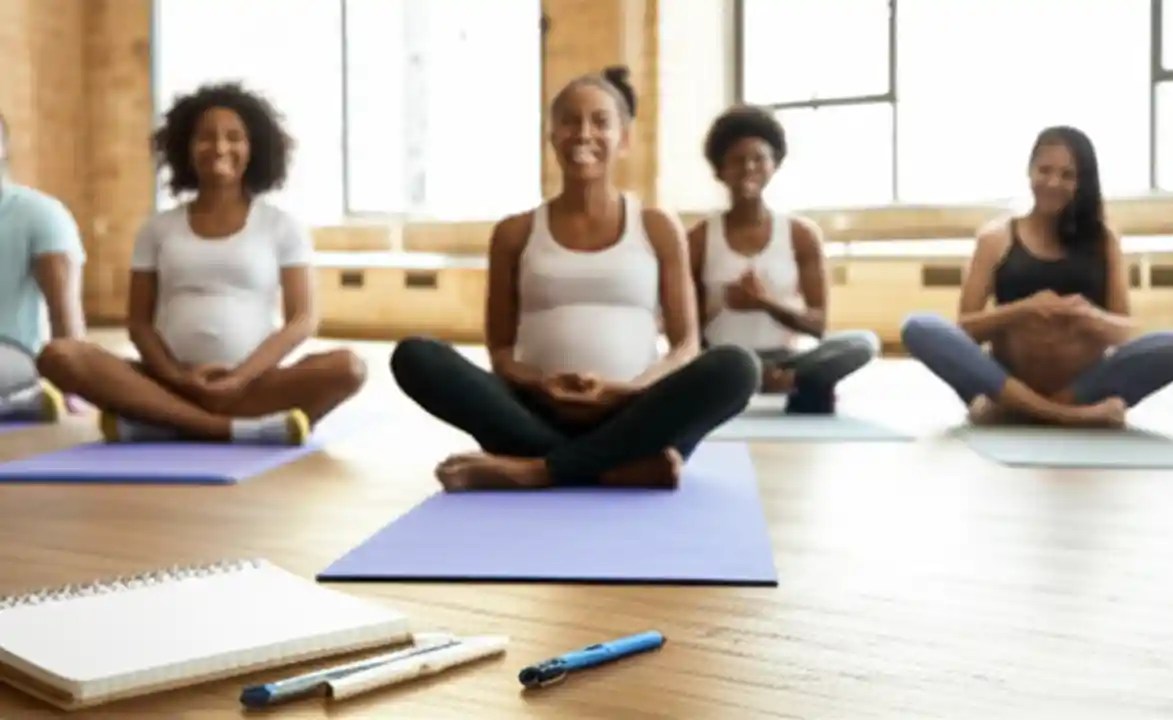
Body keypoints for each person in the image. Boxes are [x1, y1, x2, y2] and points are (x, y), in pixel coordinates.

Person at [389, 66, 759, 491]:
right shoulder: (515, 232)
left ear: (625, 139)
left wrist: (628, 391)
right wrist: (541, 384)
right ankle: (615, 466)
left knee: (736, 368)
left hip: (636, 409)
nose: (584, 133)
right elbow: (502, 352)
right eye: (569, 120)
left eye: (601, 121)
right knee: (416, 356)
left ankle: (538, 468)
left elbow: (686, 345)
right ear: (552, 136)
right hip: (536, 409)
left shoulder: (657, 226)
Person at [37, 82, 366, 444]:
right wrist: (178, 377)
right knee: (60, 355)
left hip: (252, 385)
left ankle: (162, 422)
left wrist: (240, 377)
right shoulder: (158, 228)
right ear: (186, 149)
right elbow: (139, 323)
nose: (220, 147)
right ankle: (223, 428)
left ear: (253, 148)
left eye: (234, 137)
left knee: (347, 368)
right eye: (205, 137)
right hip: (167, 383)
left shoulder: (281, 227)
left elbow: (302, 319)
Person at [900, 125, 1173, 426]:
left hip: (1080, 386)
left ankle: (1027, 409)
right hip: (1005, 381)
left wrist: (1088, 316)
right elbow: (966, 330)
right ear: (1029, 172)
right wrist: (1024, 309)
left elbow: (1123, 332)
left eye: (1068, 175)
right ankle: (1066, 415)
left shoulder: (1105, 240)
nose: (1053, 182)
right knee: (919, 326)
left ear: (1083, 182)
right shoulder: (995, 237)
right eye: (1044, 170)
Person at [689, 104, 879, 414]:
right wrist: (720, 302)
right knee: (675, 365)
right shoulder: (698, 238)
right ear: (720, 170)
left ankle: (784, 379)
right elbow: (683, 330)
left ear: (773, 165)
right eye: (737, 160)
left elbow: (819, 325)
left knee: (862, 343)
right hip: (724, 359)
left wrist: (765, 303)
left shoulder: (800, 233)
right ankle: (767, 382)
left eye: (758, 159)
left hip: (785, 358)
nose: (749, 167)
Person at [0, 110, 85, 423]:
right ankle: (21, 403)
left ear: (3, 147)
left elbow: (65, 312)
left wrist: (77, 385)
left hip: (16, 352)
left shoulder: (40, 213)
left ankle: (31, 395)